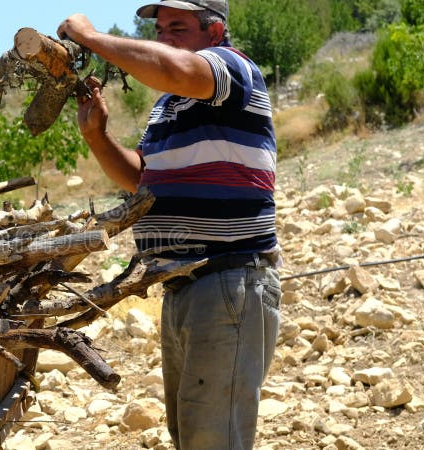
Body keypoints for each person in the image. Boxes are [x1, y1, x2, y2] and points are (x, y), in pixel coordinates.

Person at [58, 1, 282, 449]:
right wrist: (97, 137)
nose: (163, 38)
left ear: (214, 31)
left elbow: (175, 68)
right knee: (193, 438)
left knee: (212, 440)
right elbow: (143, 181)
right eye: (160, 30)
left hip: (227, 282)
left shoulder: (232, 70)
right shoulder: (170, 106)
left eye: (176, 27)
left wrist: (91, 37)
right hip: (183, 288)